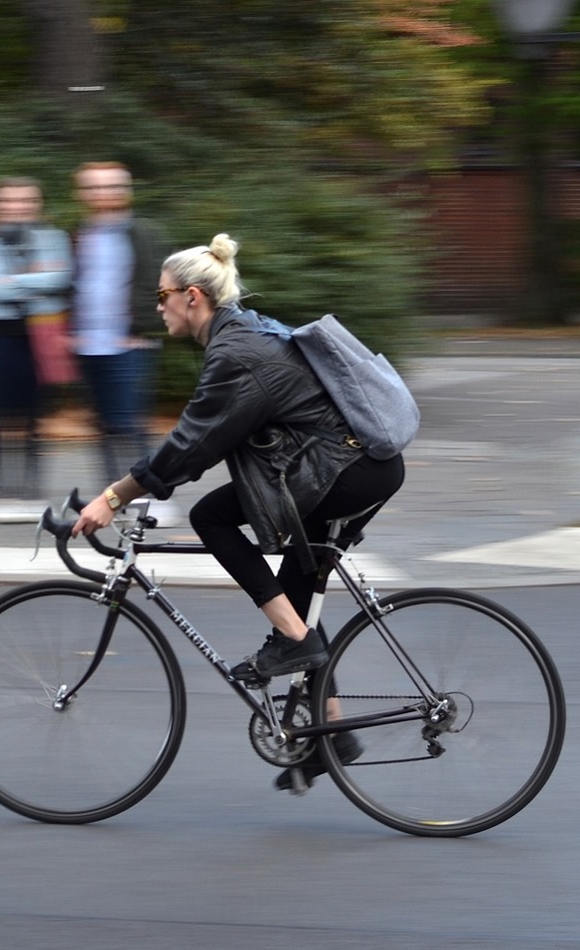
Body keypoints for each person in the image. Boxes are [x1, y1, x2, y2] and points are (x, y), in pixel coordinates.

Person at [73, 233, 406, 790]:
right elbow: (203, 440)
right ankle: (332, 736)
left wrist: (113, 497)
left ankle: (296, 646)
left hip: (346, 470)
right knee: (299, 590)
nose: (158, 307)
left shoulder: (235, 355)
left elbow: (191, 445)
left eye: (162, 296)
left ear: (193, 297)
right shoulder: (241, 334)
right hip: (350, 465)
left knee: (213, 518)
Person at [0, 177, 73, 523]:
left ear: (37, 204)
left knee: (34, 418)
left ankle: (31, 493)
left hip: (39, 334)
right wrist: (33, 277)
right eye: (7, 200)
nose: (16, 206)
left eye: (25, 200)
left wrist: (9, 280)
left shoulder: (54, 238)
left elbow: (62, 278)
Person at [70, 161, 178, 522]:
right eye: (94, 187)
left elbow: (162, 284)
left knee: (132, 425)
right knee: (103, 426)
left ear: (126, 190)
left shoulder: (143, 233)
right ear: (82, 193)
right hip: (88, 344)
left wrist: (144, 330)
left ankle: (150, 501)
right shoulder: (77, 233)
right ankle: (112, 499)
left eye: (111, 186)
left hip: (128, 344)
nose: (103, 193)